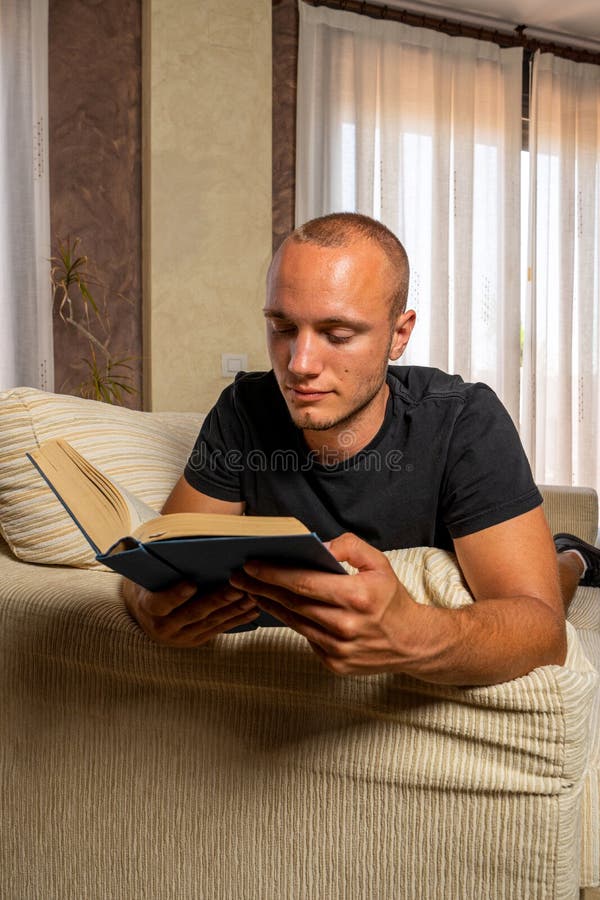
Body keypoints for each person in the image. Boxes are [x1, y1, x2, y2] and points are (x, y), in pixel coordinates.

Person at [122, 213, 597, 686]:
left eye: (338, 334)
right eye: (283, 328)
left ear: (399, 335)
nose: (299, 364)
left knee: (554, 578)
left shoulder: (465, 419)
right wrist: (146, 601)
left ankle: (572, 555)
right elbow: (160, 555)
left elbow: (543, 631)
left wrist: (414, 636)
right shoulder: (243, 410)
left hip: (478, 551)